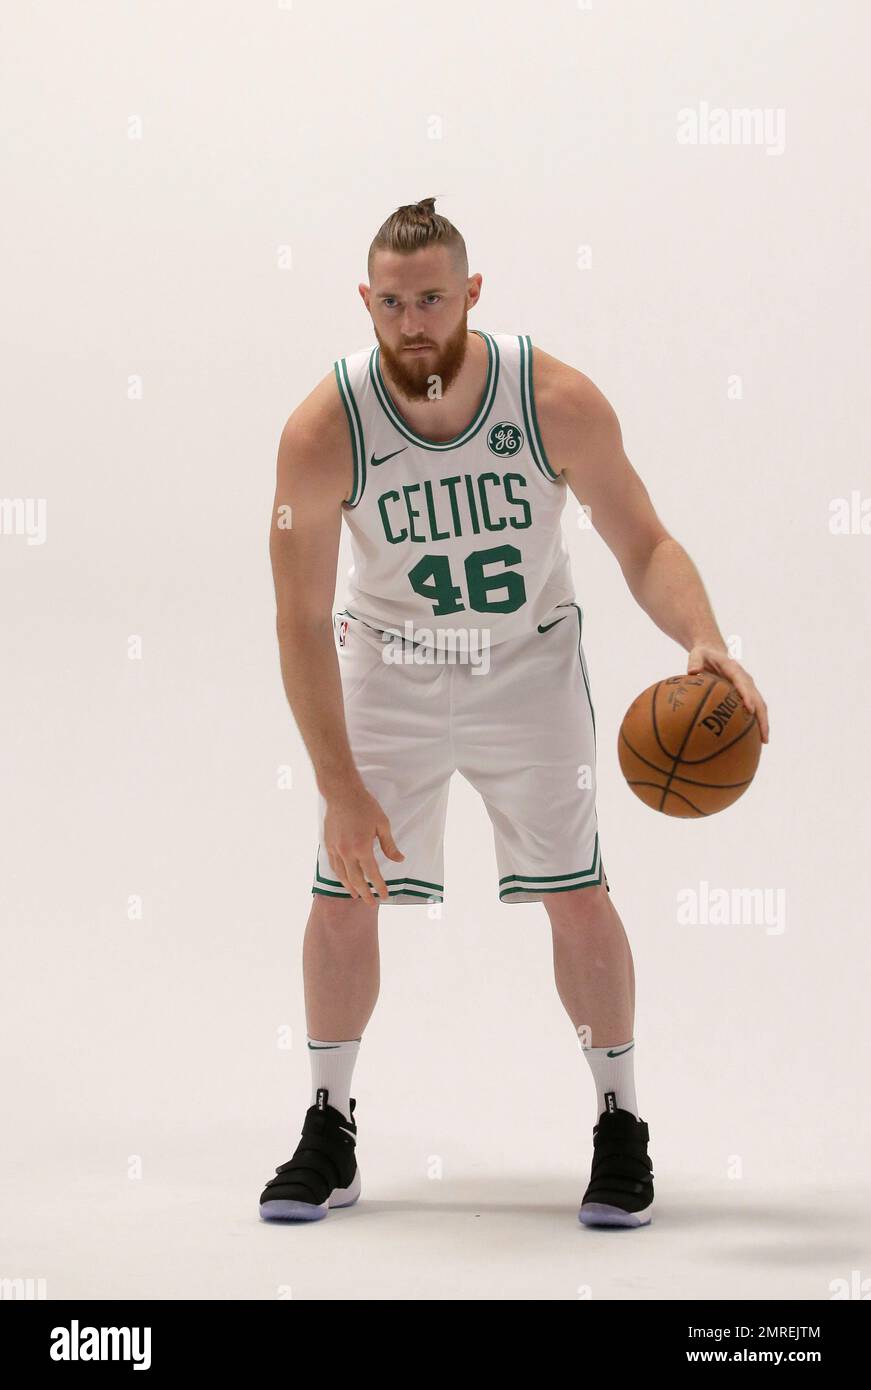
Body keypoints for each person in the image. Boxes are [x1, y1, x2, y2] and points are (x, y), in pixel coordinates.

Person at [258, 197, 770, 1228]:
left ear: (471, 294)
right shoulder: (323, 430)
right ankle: (328, 1122)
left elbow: (644, 542)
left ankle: (620, 1122)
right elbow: (299, 620)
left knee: (576, 893)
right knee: (342, 894)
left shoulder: (553, 399)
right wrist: (337, 782)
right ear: (366, 301)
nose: (413, 322)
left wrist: (701, 635)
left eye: (433, 299)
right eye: (393, 302)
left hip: (524, 671)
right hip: (389, 672)